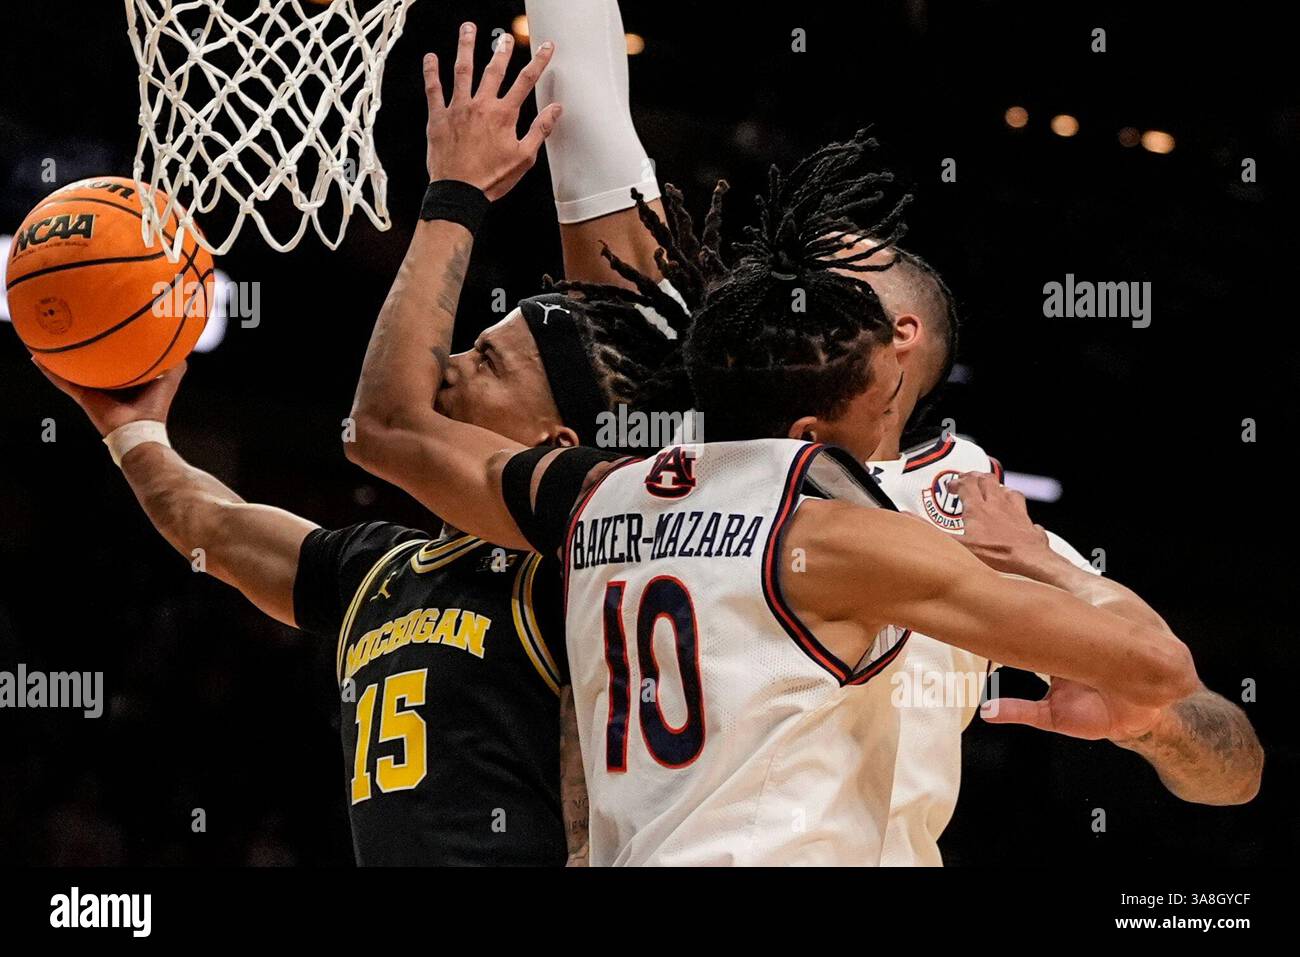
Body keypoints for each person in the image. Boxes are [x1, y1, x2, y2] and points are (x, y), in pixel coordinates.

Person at [347, 107, 1201, 863]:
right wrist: (1042, 564)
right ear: (815, 434)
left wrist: (454, 195)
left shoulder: (597, 493)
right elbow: (1158, 664)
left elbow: (383, 426)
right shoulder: (859, 538)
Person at [33, 26, 589, 867]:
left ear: (557, 442)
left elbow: (384, 424)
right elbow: (209, 525)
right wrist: (129, 427)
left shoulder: (580, 563)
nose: (454, 359)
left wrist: (457, 196)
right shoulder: (378, 569)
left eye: (489, 359)